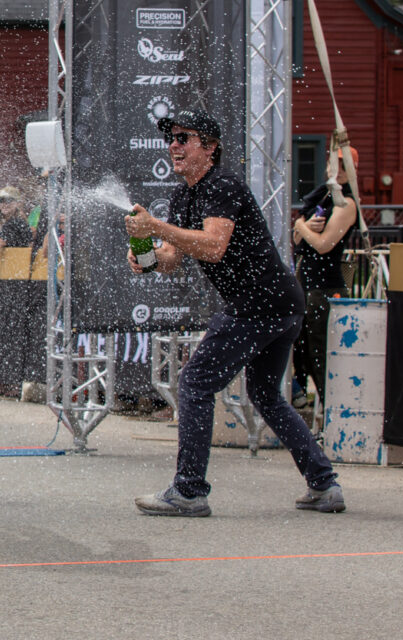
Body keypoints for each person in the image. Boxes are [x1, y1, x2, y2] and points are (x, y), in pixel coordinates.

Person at [125, 109, 343, 516]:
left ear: (209, 147)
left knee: (194, 383)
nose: (173, 145)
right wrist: (148, 258)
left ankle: (189, 491)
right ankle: (325, 485)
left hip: (259, 304)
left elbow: (212, 246)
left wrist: (155, 228)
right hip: (277, 302)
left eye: (183, 138)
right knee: (264, 395)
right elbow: (173, 257)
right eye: (171, 138)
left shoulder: (222, 185)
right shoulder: (183, 195)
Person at [291, 143, 359, 409]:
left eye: (345, 167)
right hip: (307, 283)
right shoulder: (321, 197)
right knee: (302, 351)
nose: (338, 170)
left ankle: (331, 411)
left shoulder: (347, 203)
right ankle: (308, 401)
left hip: (325, 287)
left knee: (322, 354)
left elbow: (323, 245)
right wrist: (304, 228)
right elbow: (298, 241)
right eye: (336, 164)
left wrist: (300, 226)